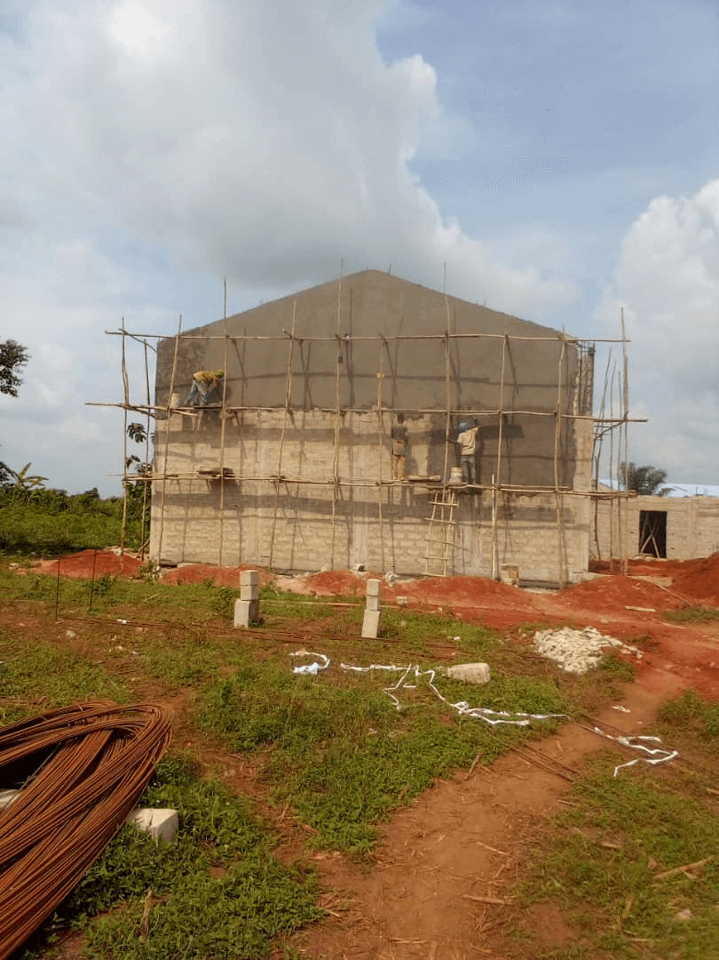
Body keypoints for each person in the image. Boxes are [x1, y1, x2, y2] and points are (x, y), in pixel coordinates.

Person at [456, 419, 480, 485]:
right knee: (472, 467)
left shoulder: (461, 435)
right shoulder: (472, 432)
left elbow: (458, 443)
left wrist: (449, 440)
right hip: (471, 453)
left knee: (465, 468)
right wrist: (475, 420)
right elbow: (478, 426)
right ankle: (474, 481)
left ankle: (467, 481)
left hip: (464, 453)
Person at [391, 414, 408, 480]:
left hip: (395, 445)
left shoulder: (393, 427)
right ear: (403, 420)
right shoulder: (404, 428)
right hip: (402, 445)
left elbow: (392, 436)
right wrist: (406, 441)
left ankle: (395, 476)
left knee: (395, 462)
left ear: (398, 419)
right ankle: (401, 476)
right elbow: (407, 436)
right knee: (402, 462)